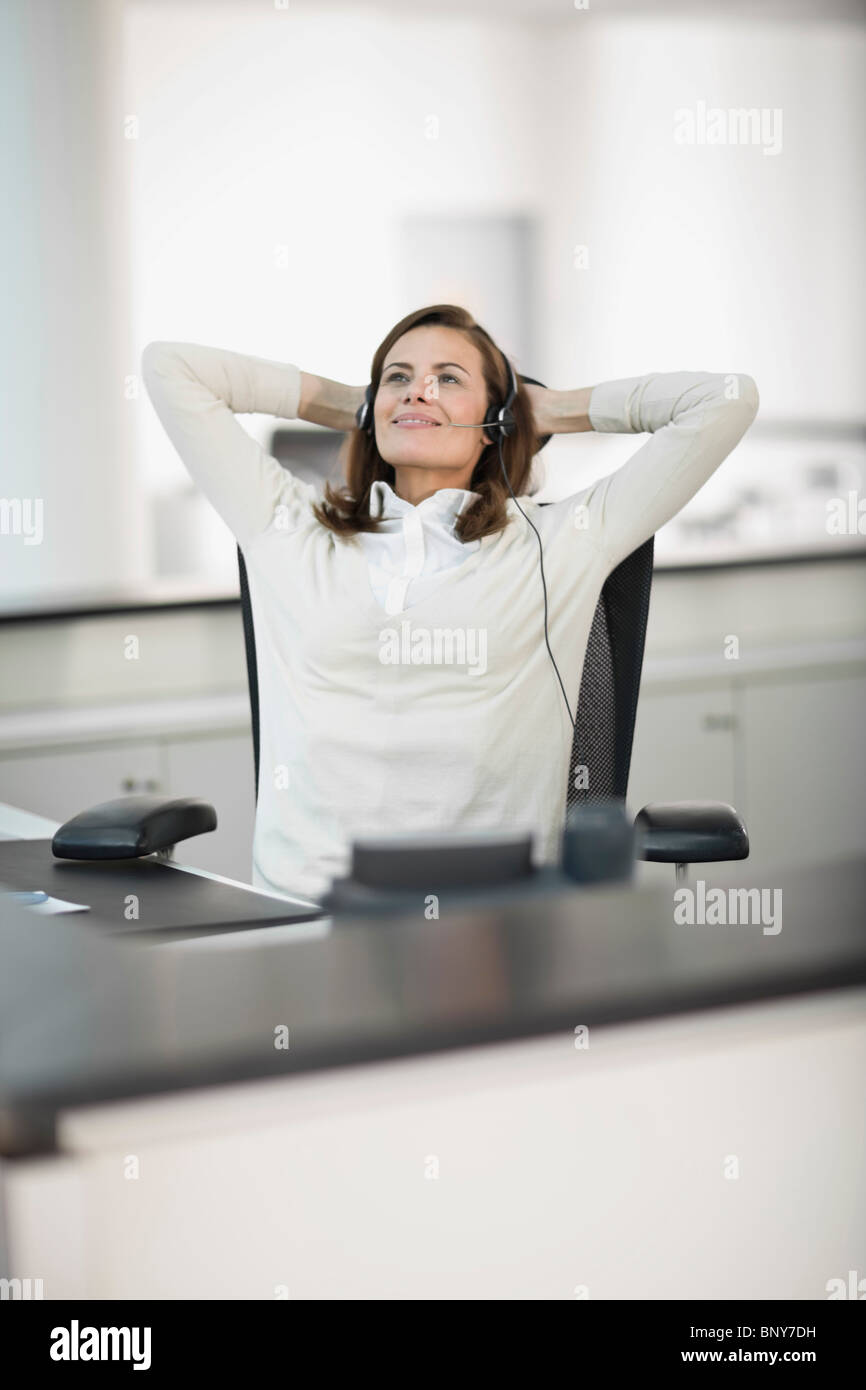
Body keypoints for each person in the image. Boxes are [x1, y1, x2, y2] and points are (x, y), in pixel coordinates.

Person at [142, 303, 759, 903]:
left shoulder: (562, 543)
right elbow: (170, 367)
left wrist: (552, 409)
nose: (418, 391)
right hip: (308, 919)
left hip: (492, 926)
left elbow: (727, 399)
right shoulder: (290, 530)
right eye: (398, 378)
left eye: (449, 379)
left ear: (497, 421)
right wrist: (347, 404)